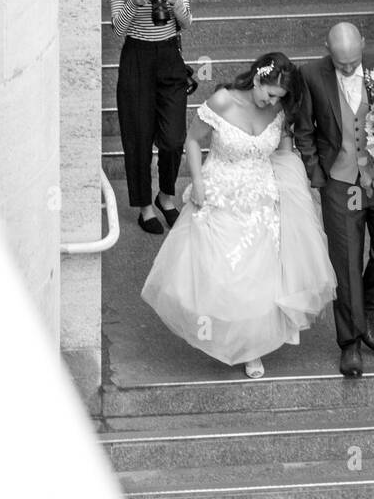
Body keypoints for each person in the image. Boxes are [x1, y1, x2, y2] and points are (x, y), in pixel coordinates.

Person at [141, 53, 336, 379]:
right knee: (222, 273)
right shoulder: (222, 101)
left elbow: (284, 151)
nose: (272, 101)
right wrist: (197, 182)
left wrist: (291, 190)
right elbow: (191, 140)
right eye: (270, 93)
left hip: (260, 197)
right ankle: (219, 331)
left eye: (279, 98)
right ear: (257, 78)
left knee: (258, 276)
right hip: (219, 191)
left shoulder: (278, 110)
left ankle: (251, 347)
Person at [294, 23, 374, 379]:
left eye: (353, 62)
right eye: (340, 63)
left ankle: (369, 307)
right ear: (328, 50)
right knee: (345, 264)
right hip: (340, 182)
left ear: (364, 44)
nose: (347, 69)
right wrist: (316, 175)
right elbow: (304, 129)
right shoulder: (310, 74)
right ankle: (351, 343)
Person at [110, 0, 192, 234]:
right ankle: (145, 206)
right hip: (136, 58)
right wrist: (133, 3)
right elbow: (118, 29)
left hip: (169, 56)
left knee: (173, 138)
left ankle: (166, 196)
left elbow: (188, 22)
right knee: (138, 137)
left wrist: (175, 4)